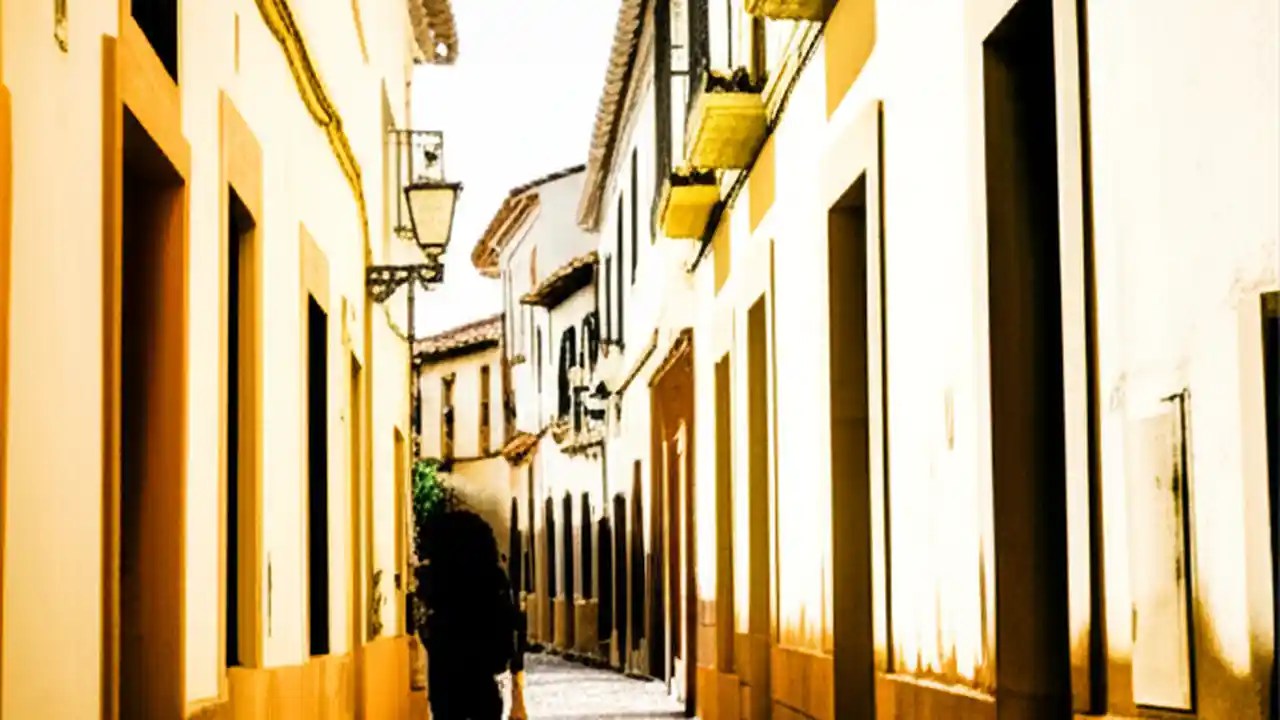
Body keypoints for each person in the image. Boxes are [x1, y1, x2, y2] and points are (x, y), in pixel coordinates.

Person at [417, 510, 516, 720]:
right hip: (482, 674)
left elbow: (425, 626)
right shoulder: (493, 579)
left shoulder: (434, 579)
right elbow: (508, 622)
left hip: (445, 674)